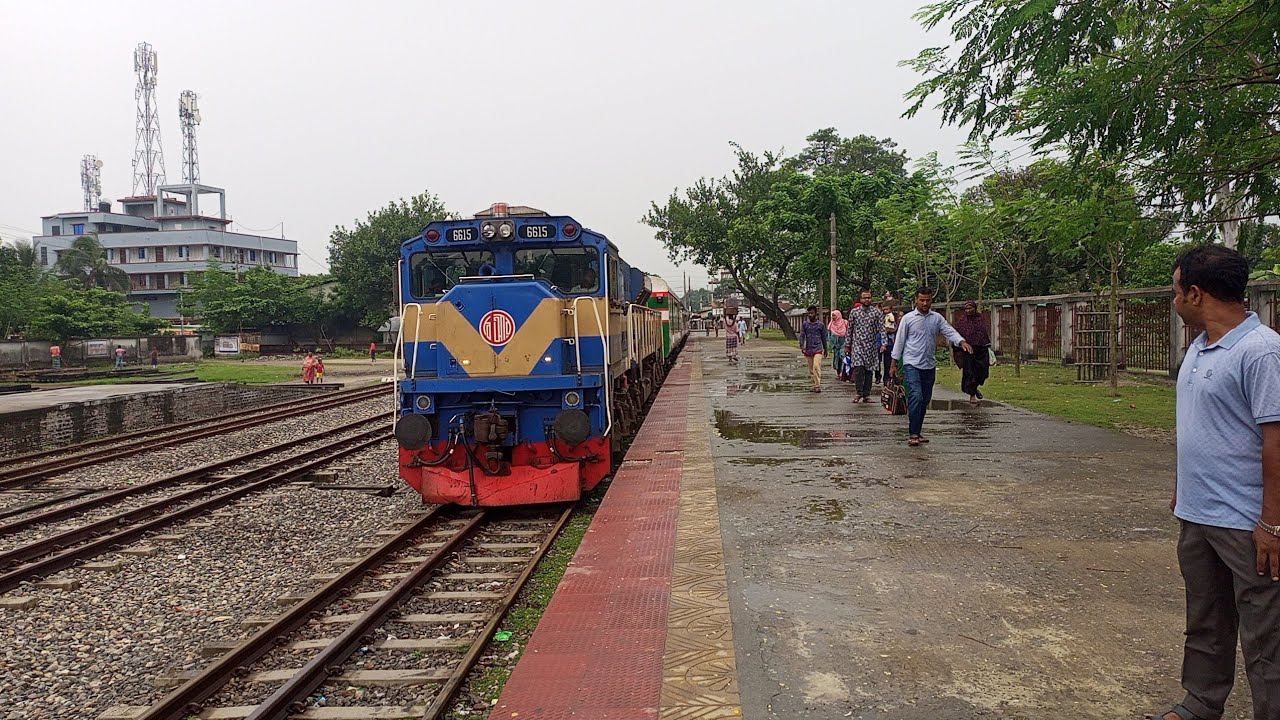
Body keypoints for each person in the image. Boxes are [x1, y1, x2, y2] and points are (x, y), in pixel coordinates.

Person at [1155, 245, 1280, 720]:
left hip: (1247, 523)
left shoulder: (1261, 351)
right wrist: (1182, 486)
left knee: (1265, 636)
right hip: (1198, 514)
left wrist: (1273, 524)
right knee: (1206, 620)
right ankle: (1200, 703)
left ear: (1194, 292)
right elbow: (1204, 427)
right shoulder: (1200, 346)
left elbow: (1276, 441)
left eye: (1175, 291)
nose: (1174, 300)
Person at [889, 287, 972, 447]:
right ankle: (913, 433)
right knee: (916, 396)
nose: (925, 303)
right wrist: (893, 364)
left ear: (931, 300)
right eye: (922, 300)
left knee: (925, 399)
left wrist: (961, 341)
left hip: (929, 365)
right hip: (911, 364)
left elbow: (949, 331)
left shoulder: (937, 318)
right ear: (916, 300)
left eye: (927, 300)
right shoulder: (908, 319)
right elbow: (899, 342)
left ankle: (918, 432)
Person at [845, 291, 885, 404]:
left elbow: (882, 329)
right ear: (861, 299)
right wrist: (847, 345)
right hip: (857, 345)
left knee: (869, 371)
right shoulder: (854, 312)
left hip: (871, 346)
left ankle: (866, 394)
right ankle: (859, 392)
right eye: (864, 298)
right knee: (858, 369)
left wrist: (883, 344)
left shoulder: (877, 312)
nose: (867, 300)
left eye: (869, 298)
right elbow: (850, 330)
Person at [952, 301, 992, 405]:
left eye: (970, 308)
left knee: (982, 373)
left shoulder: (980, 319)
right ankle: (972, 394)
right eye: (966, 309)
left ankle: (975, 388)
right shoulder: (962, 321)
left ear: (975, 308)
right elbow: (956, 336)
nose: (968, 311)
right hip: (968, 352)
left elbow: (983, 333)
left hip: (981, 350)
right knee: (970, 373)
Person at [799, 306, 826, 392]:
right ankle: (814, 384)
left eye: (812, 313)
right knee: (811, 369)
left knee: (816, 366)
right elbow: (802, 335)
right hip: (808, 349)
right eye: (809, 313)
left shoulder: (820, 325)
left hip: (818, 348)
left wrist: (826, 349)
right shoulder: (805, 324)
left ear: (815, 314)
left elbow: (824, 338)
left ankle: (817, 385)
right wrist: (802, 346)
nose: (810, 315)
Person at [879, 302, 898, 385]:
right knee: (877, 362)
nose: (885, 311)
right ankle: (878, 376)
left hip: (889, 343)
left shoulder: (892, 317)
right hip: (879, 343)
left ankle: (887, 379)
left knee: (888, 362)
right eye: (884, 309)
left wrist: (888, 330)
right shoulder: (880, 317)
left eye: (887, 309)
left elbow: (895, 328)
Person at [827, 309, 848, 377]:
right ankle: (838, 372)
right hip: (835, 344)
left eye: (834, 316)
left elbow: (848, 333)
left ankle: (842, 372)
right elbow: (829, 335)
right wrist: (830, 344)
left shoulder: (844, 322)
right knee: (836, 358)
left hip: (843, 343)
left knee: (843, 357)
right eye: (832, 316)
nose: (833, 317)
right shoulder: (831, 324)